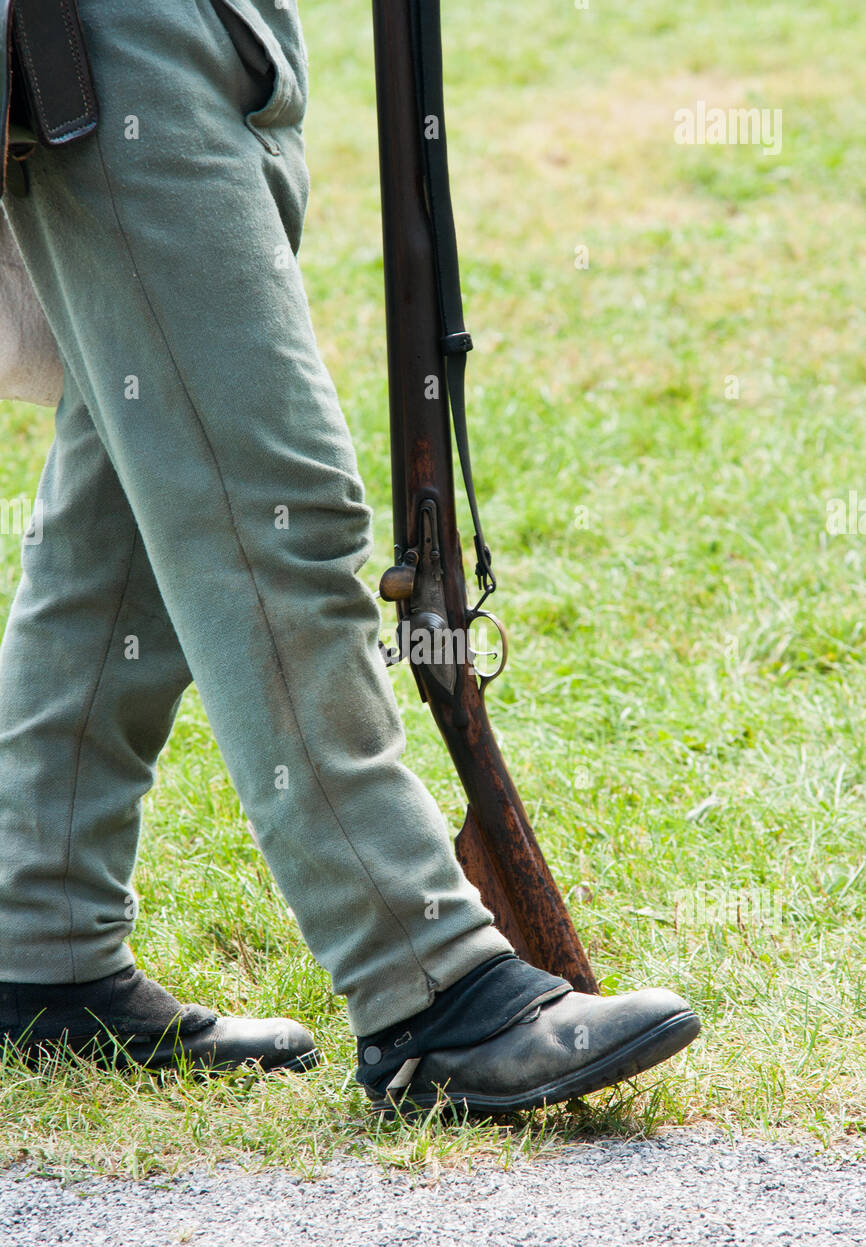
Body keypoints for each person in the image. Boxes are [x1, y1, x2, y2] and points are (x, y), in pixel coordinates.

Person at [0, 0, 699, 1114]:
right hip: (99, 26)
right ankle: (429, 991)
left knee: (127, 498)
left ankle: (39, 955)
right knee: (273, 507)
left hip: (220, 25)